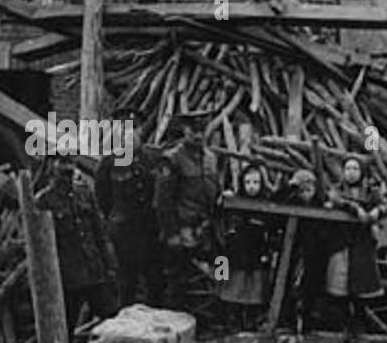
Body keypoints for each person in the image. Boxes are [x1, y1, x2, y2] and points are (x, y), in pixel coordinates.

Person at [38, 159, 118, 343]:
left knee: (112, 317)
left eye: (70, 165)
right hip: (67, 276)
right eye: (62, 166)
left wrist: (109, 264)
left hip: (93, 270)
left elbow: (99, 231)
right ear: (51, 169)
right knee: (65, 325)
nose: (67, 171)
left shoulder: (84, 193)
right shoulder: (44, 201)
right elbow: (40, 247)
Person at [323, 154, 387, 341]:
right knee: (340, 283)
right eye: (348, 169)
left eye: (355, 169)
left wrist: (378, 210)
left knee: (361, 284)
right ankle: (345, 323)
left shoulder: (370, 191)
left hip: (362, 243)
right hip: (342, 241)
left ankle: (359, 323)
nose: (351, 173)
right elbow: (336, 200)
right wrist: (355, 209)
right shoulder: (338, 189)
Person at [154, 120, 219, 311]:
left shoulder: (210, 158)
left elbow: (214, 188)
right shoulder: (172, 159)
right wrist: (171, 234)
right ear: (185, 130)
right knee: (178, 278)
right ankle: (175, 319)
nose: (198, 135)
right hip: (183, 229)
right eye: (193, 130)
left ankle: (218, 311)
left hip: (206, 228)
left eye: (202, 130)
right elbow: (162, 201)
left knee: (221, 265)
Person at [94, 144, 163, 307]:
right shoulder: (110, 163)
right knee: (126, 280)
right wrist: (116, 218)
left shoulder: (151, 158)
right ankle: (126, 320)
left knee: (154, 278)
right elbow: (103, 197)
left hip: (150, 228)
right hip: (124, 232)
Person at [215, 165, 273, 331]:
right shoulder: (235, 202)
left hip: (256, 252)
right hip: (234, 253)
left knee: (254, 288)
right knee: (231, 284)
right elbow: (219, 218)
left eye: (256, 182)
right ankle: (231, 319)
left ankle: (251, 319)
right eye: (248, 182)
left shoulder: (265, 204)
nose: (252, 186)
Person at [284, 168, 328, 334]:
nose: (305, 194)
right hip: (294, 251)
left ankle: (309, 322)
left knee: (312, 288)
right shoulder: (292, 201)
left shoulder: (319, 204)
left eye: (308, 190)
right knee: (291, 285)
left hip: (315, 253)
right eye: (302, 190)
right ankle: (289, 321)